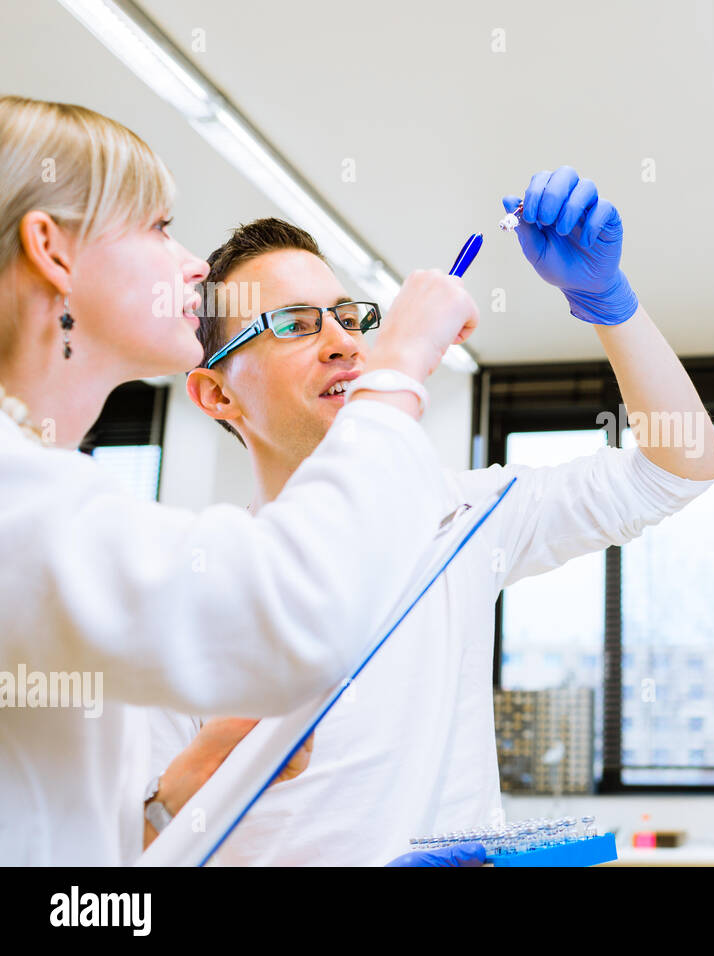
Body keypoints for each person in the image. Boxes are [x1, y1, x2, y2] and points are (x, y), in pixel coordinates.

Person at [148, 167, 714, 865]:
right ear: (216, 395)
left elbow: (676, 469)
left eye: (351, 316)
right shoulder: (193, 590)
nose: (342, 342)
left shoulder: (460, 516)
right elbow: (134, 855)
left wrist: (607, 302)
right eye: (294, 325)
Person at [0, 96, 479, 865]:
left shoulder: (54, 487)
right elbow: (296, 615)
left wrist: (167, 806)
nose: (192, 264)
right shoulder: (16, 499)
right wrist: (396, 370)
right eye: (157, 227)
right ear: (52, 251)